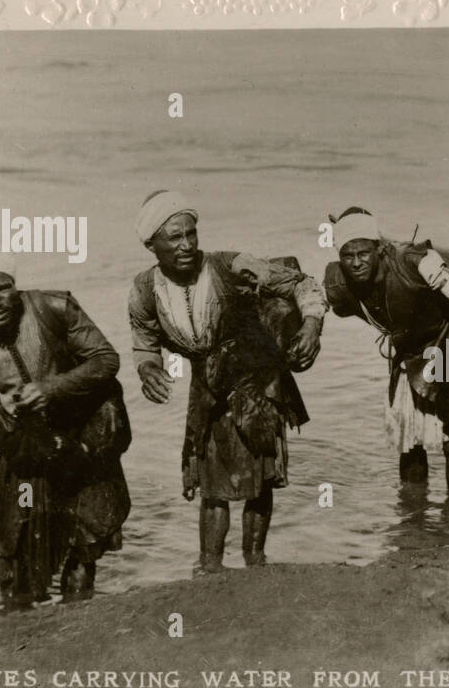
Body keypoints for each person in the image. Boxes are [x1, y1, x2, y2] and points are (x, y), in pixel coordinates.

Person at [129, 190, 327, 574]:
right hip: (208, 382)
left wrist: (312, 325)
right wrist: (148, 369)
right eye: (174, 238)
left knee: (261, 476)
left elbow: (303, 284)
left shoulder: (229, 266)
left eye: (191, 233)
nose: (186, 245)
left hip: (256, 372)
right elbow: (143, 341)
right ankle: (210, 566)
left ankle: (255, 560)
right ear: (152, 244)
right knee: (211, 482)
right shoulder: (143, 289)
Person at [0, 255, 129, 605]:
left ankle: (78, 622)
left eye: (4, 288)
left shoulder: (54, 307)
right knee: (14, 541)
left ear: (16, 287)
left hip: (79, 441)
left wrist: (52, 388)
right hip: (25, 447)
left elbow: (106, 359)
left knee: (82, 539)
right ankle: (20, 621)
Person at [323, 207, 449, 490]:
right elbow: (314, 301)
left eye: (363, 253)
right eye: (347, 256)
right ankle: (414, 523)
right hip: (409, 353)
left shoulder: (414, 262)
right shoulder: (339, 281)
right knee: (409, 443)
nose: (355, 263)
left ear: (379, 249)